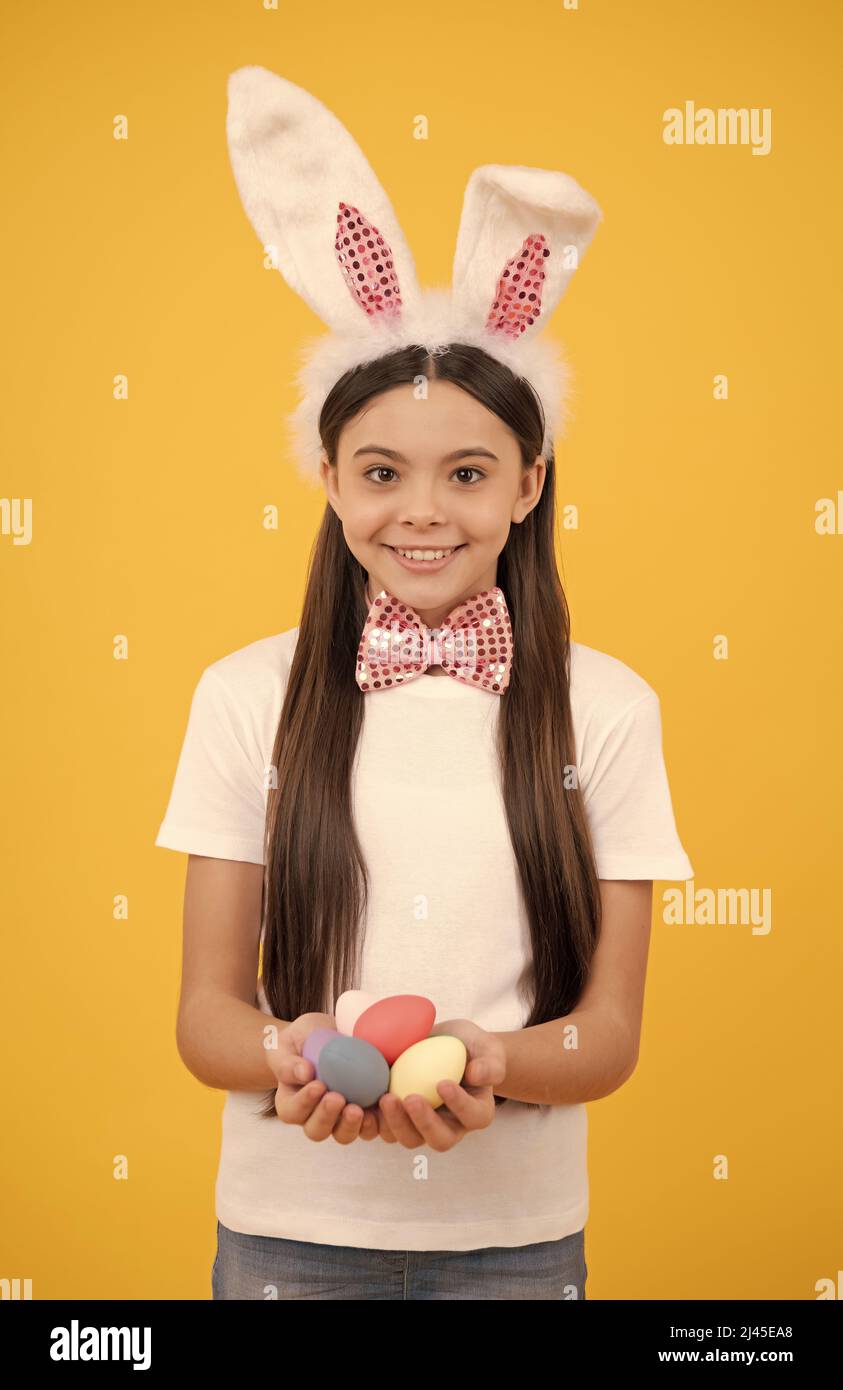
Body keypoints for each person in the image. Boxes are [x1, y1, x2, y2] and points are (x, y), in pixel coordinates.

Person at [154, 67, 694, 1300]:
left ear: (529, 483)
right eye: (382, 470)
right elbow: (204, 1016)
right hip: (287, 1236)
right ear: (331, 479)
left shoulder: (609, 711)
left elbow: (608, 1034)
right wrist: (292, 1050)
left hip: (518, 1245)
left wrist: (490, 1059)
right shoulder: (244, 696)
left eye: (468, 472)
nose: (422, 511)